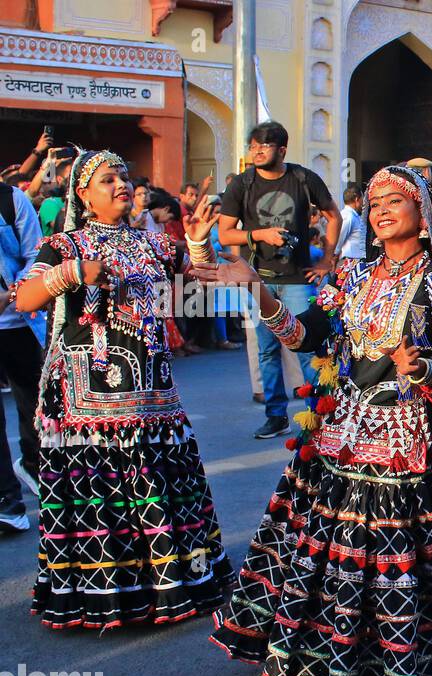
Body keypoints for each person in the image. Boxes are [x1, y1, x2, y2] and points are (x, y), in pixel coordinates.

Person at [198, 164, 432, 676]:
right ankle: (326, 669)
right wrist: (255, 286)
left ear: (423, 213)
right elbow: (306, 336)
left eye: (396, 201)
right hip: (342, 433)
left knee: (396, 566)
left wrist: (424, 366)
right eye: (374, 205)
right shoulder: (351, 276)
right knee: (331, 555)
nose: (382, 212)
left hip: (403, 438)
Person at [13, 149, 235, 630]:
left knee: (159, 487)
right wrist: (74, 273)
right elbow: (25, 297)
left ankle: (172, 585)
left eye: (125, 177)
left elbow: (200, 283)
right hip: (90, 399)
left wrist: (197, 244)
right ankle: (109, 595)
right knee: (107, 496)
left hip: (152, 391)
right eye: (108, 179)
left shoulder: (152, 244)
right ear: (83, 195)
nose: (121, 186)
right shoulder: (66, 245)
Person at [218, 120, 342, 439]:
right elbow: (225, 232)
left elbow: (333, 214)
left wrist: (327, 259)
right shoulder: (242, 184)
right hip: (260, 280)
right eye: (253, 146)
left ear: (281, 150)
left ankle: (320, 413)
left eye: (264, 146)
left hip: (298, 279)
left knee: (308, 346)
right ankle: (276, 415)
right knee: (268, 349)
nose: (257, 151)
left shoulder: (302, 178)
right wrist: (259, 234)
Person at [0, 178, 43, 529]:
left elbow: (35, 254)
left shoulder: (11, 199)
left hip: (20, 321)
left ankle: (33, 464)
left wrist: (12, 292)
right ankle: (8, 501)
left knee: (34, 404)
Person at [335, 184, 366, 269]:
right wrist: (334, 256)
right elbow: (339, 238)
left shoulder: (354, 216)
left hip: (357, 261)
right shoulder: (348, 216)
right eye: (362, 199)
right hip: (350, 263)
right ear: (357, 199)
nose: (363, 202)